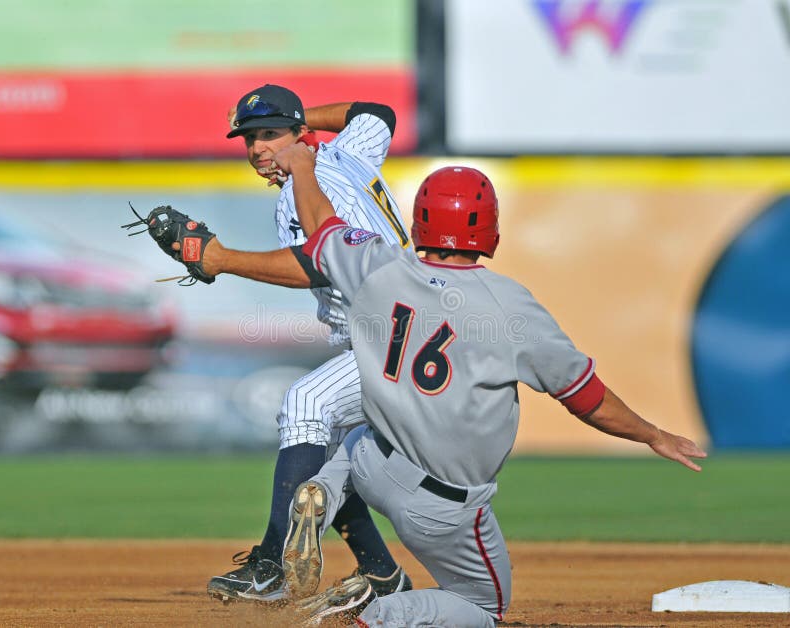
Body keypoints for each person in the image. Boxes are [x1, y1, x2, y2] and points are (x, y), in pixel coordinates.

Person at [269, 143, 708, 626]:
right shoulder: (509, 305)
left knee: (357, 436)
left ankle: (324, 490)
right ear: (489, 229)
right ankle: (379, 614)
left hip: (374, 465)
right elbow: (587, 398)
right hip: (440, 507)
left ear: (420, 222)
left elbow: (321, 223)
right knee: (484, 606)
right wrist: (652, 434)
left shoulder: (377, 265)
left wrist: (303, 166)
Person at [202, 84, 413, 603]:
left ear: (301, 134)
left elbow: (320, 264)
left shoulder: (302, 192)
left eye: (270, 134)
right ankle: (382, 573)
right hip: (409, 324)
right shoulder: (348, 151)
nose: (258, 149)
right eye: (250, 138)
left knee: (305, 404)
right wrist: (293, 121)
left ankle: (271, 569)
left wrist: (221, 259)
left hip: (390, 336)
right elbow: (376, 112)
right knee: (322, 452)